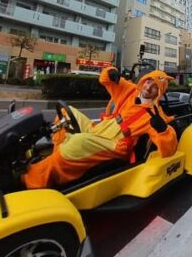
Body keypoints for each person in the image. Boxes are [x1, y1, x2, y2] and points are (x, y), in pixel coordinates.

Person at [22, 66, 178, 189]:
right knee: (66, 113)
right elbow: (105, 79)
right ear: (144, 80)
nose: (149, 87)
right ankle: (57, 158)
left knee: (77, 143)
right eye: (149, 81)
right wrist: (111, 72)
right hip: (100, 129)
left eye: (155, 87)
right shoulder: (130, 90)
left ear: (159, 92)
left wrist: (163, 130)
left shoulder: (156, 115)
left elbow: (169, 149)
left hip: (116, 144)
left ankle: (33, 181)